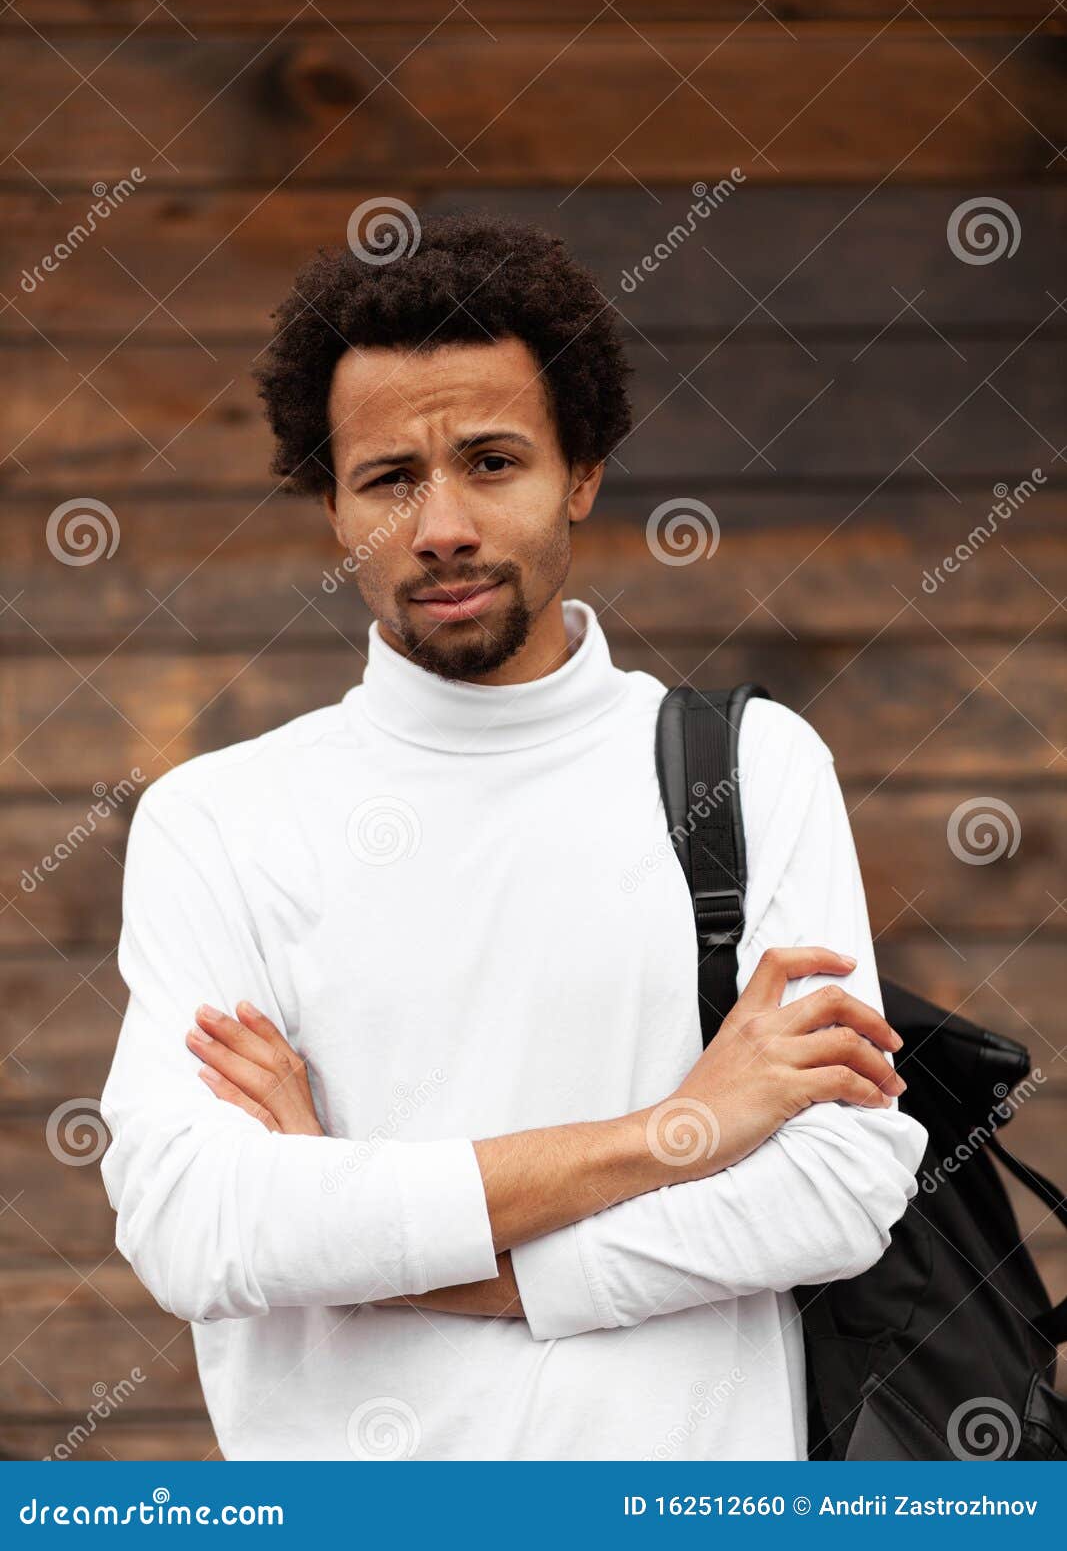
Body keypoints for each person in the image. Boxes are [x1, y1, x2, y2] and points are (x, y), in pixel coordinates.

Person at [99, 211, 928, 1462]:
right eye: (388, 478)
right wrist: (675, 1129)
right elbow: (193, 1223)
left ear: (579, 472)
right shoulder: (219, 822)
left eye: (491, 461)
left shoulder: (748, 771)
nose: (440, 525)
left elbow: (839, 1184)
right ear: (331, 504)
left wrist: (402, 1249)